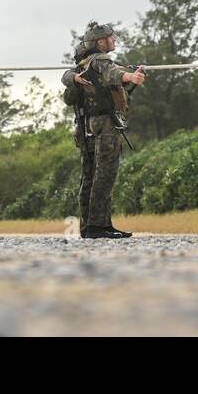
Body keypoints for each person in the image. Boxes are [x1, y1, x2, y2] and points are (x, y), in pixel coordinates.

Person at [63, 21, 145, 239]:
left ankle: (91, 226)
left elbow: (70, 77)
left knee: (90, 175)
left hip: (89, 125)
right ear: (101, 41)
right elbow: (112, 74)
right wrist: (131, 77)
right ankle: (98, 227)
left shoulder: (83, 63)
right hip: (104, 124)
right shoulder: (100, 60)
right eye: (111, 37)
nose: (114, 40)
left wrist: (128, 76)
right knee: (105, 173)